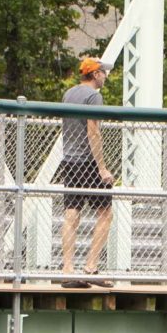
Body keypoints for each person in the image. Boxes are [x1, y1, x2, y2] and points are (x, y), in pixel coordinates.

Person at [57, 57, 115, 283]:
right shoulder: (94, 96)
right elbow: (93, 131)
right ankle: (91, 267)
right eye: (104, 73)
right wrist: (102, 168)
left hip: (69, 160)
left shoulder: (68, 94)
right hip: (88, 161)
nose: (105, 77)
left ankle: (67, 269)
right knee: (105, 213)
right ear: (95, 74)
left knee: (71, 213)